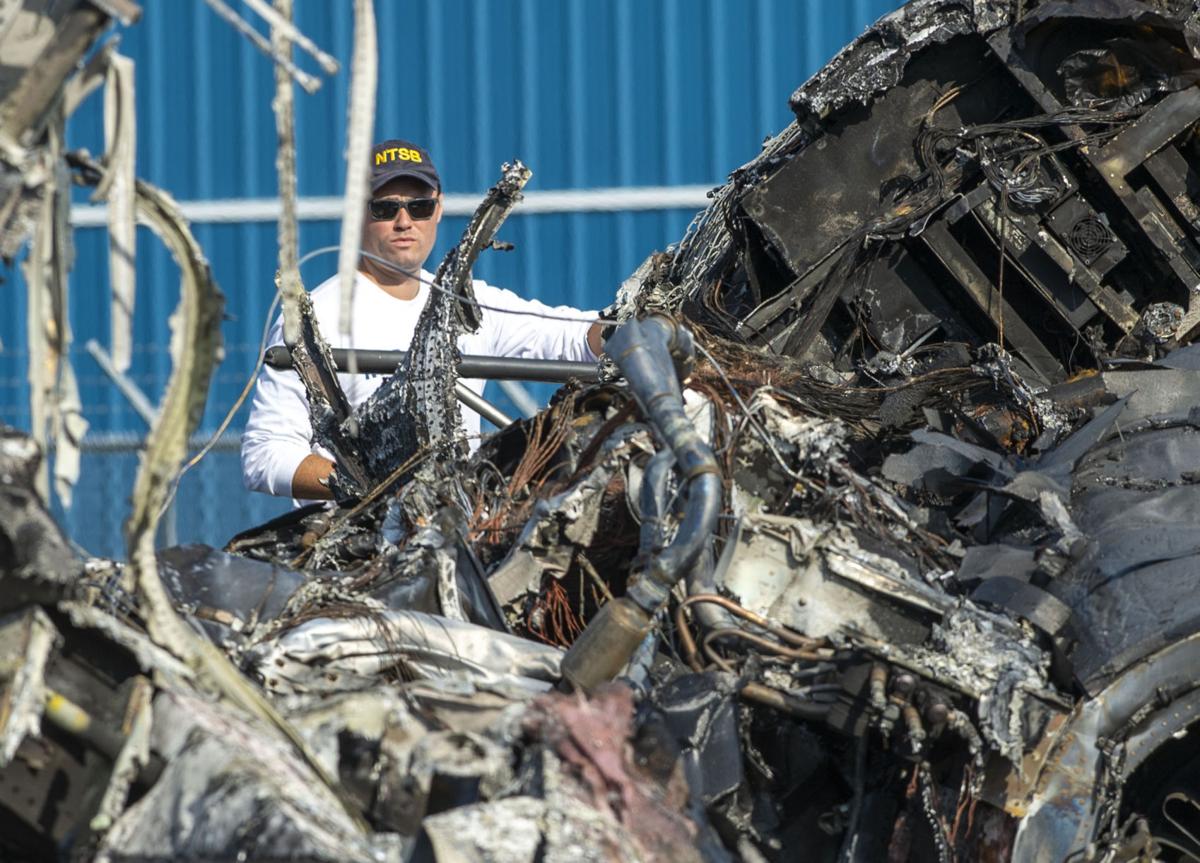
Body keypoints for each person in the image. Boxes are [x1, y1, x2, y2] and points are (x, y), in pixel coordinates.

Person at [241, 138, 604, 502]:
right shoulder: (317, 320)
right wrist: (369, 489)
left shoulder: (466, 305)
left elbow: (574, 338)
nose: (404, 222)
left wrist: (644, 322)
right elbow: (265, 454)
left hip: (460, 533)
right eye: (385, 209)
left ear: (439, 208)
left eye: (419, 207)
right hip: (360, 541)